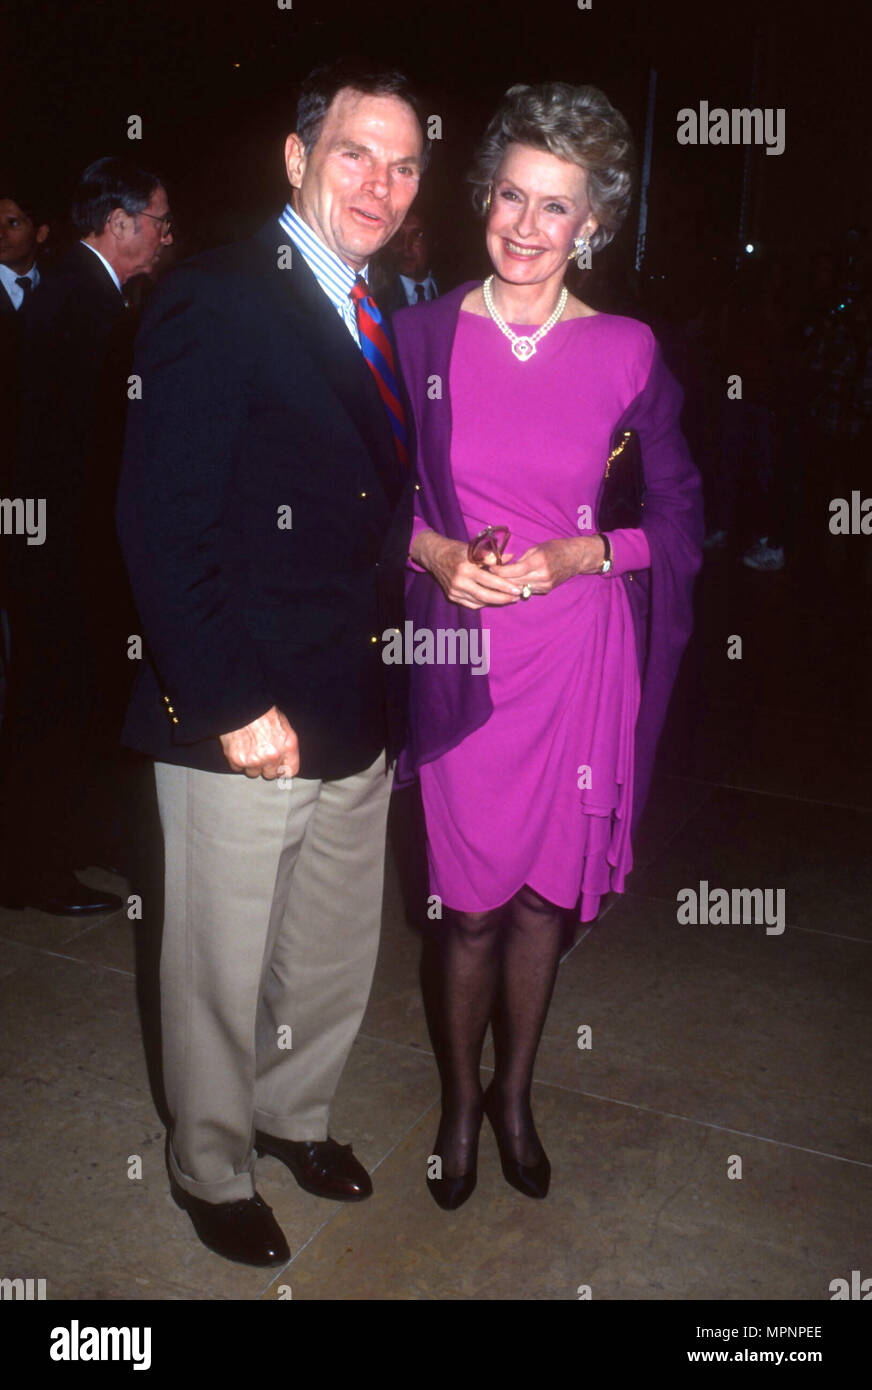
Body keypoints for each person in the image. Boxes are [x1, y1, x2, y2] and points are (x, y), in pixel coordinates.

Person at [116, 58, 426, 1266]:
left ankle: (294, 1117)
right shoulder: (216, 294)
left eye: (403, 163)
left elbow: (356, 501)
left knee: (332, 949)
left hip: (352, 698)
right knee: (216, 959)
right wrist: (233, 701)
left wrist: (442, 555)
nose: (380, 182)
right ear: (296, 160)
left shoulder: (375, 307)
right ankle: (208, 1163)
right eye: (354, 152)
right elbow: (160, 516)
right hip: (242, 706)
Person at [392, 82, 703, 1209]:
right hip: (461, 661)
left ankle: (515, 1093)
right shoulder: (418, 332)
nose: (525, 227)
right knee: (468, 907)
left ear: (594, 223)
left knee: (539, 907)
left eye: (554, 208)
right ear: (484, 197)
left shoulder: (626, 351)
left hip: (574, 661)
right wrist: (430, 553)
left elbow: (676, 517)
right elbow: (363, 501)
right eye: (510, 197)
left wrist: (586, 555)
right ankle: (459, 1105)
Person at [0, 157, 172, 915]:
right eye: (159, 221)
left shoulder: (89, 292)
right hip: (56, 556)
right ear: (119, 223)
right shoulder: (79, 302)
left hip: (67, 551)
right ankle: (31, 872)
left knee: (81, 705)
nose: (167, 236)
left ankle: (81, 842)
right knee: (47, 711)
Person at [376, 206, 439, 314]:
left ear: (432, 241)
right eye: (398, 235)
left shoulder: (453, 290)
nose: (405, 246)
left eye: (416, 235)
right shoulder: (378, 297)